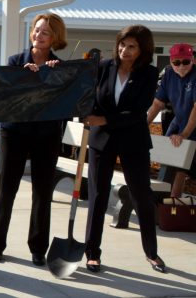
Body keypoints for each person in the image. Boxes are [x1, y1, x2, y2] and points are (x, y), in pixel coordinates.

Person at [83, 25, 166, 273]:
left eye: (132, 46)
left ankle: (152, 253)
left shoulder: (149, 73)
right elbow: (90, 97)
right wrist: (87, 112)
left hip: (134, 141)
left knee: (142, 196)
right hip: (101, 141)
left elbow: (138, 111)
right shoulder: (104, 66)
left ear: (142, 50)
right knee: (97, 196)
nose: (124, 50)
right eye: (122, 44)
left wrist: (104, 119)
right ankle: (92, 253)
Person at [0, 13, 67, 267]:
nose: (39, 35)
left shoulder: (61, 67)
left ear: (55, 37)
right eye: (37, 30)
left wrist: (54, 77)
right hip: (16, 131)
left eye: (45, 32)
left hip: (47, 134)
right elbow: (4, 93)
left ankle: (37, 248)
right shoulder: (15, 61)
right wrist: (22, 76)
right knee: (7, 189)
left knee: (42, 193)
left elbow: (65, 103)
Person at [147, 43, 196, 197]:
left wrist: (184, 134)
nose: (181, 66)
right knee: (174, 167)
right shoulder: (168, 74)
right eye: (177, 62)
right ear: (171, 62)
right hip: (180, 122)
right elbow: (157, 103)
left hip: (192, 126)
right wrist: (143, 125)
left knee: (186, 167)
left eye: (186, 62)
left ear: (193, 60)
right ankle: (171, 207)